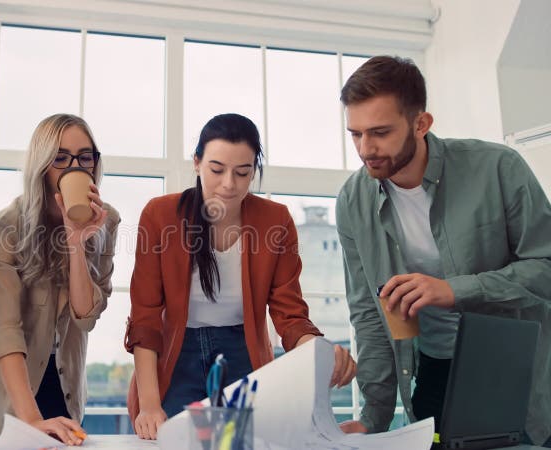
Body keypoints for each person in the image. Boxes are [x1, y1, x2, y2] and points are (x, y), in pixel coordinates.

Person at [335, 55, 551, 446]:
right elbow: (369, 314)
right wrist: (374, 417)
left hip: (517, 372)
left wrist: (454, 290)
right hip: (433, 374)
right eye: (356, 133)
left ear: (421, 124)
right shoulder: (353, 200)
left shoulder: (498, 168)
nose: (366, 149)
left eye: (380, 132)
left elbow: (547, 267)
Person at [125, 113, 357, 440]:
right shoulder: (159, 215)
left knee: (245, 443)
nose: (229, 184)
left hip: (242, 349)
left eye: (243, 172)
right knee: (172, 440)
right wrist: (150, 404)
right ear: (197, 163)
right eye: (217, 170)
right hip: (174, 353)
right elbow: (146, 318)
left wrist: (322, 351)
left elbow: (290, 316)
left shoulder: (275, 220)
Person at [0, 114, 120, 445]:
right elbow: (4, 331)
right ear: (42, 165)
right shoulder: (6, 226)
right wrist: (30, 420)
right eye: (60, 158)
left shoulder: (106, 222)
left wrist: (77, 242)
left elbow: (85, 317)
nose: (75, 167)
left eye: (84, 157)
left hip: (63, 378)